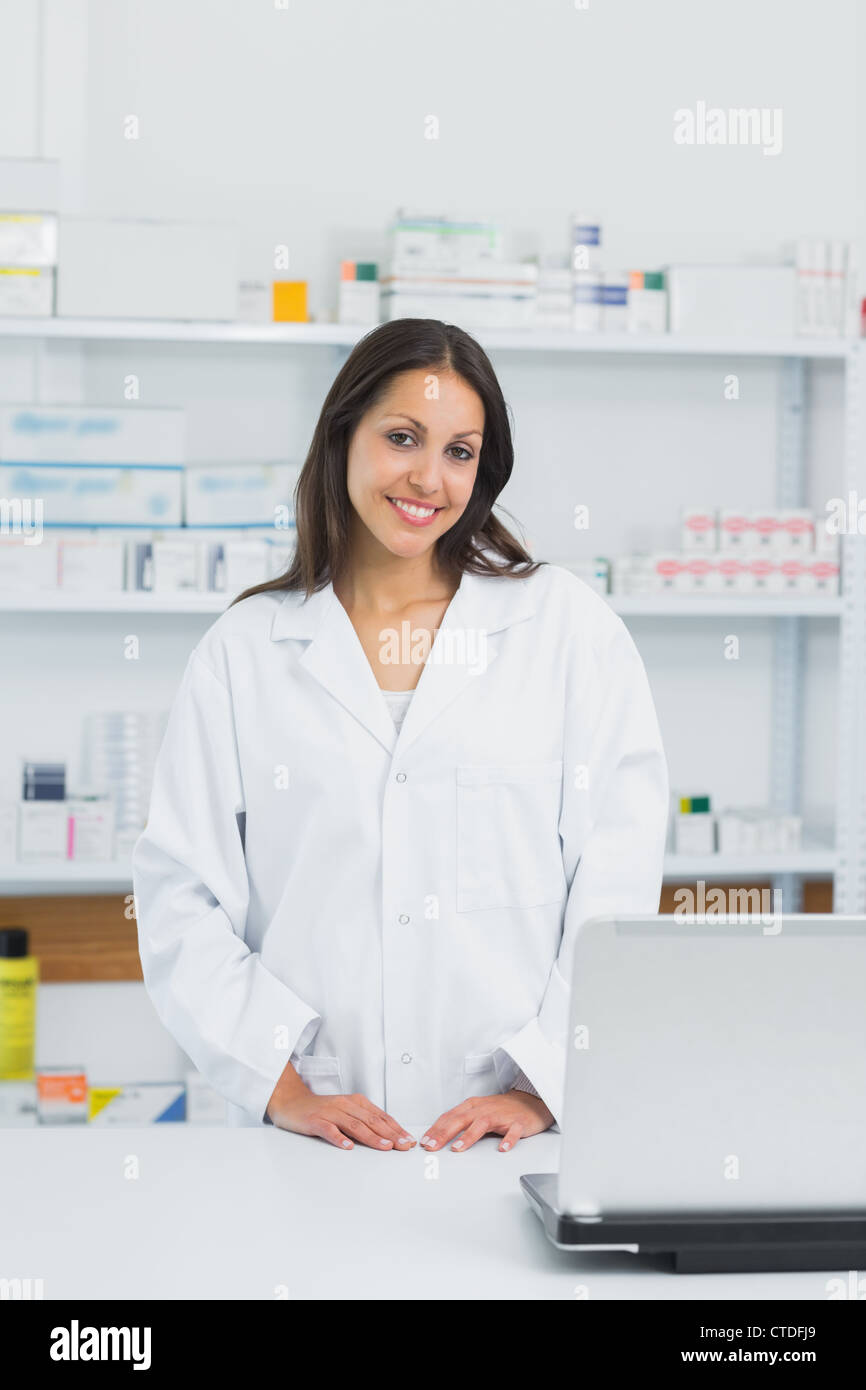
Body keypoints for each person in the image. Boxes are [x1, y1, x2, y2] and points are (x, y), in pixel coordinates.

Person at [132, 318, 669, 1154]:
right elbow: (179, 898)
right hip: (313, 1150)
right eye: (403, 438)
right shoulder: (245, 653)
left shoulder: (565, 631)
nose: (428, 477)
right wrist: (280, 1086)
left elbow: (618, 878)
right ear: (343, 435)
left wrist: (544, 1085)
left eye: (460, 451)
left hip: (509, 1144)